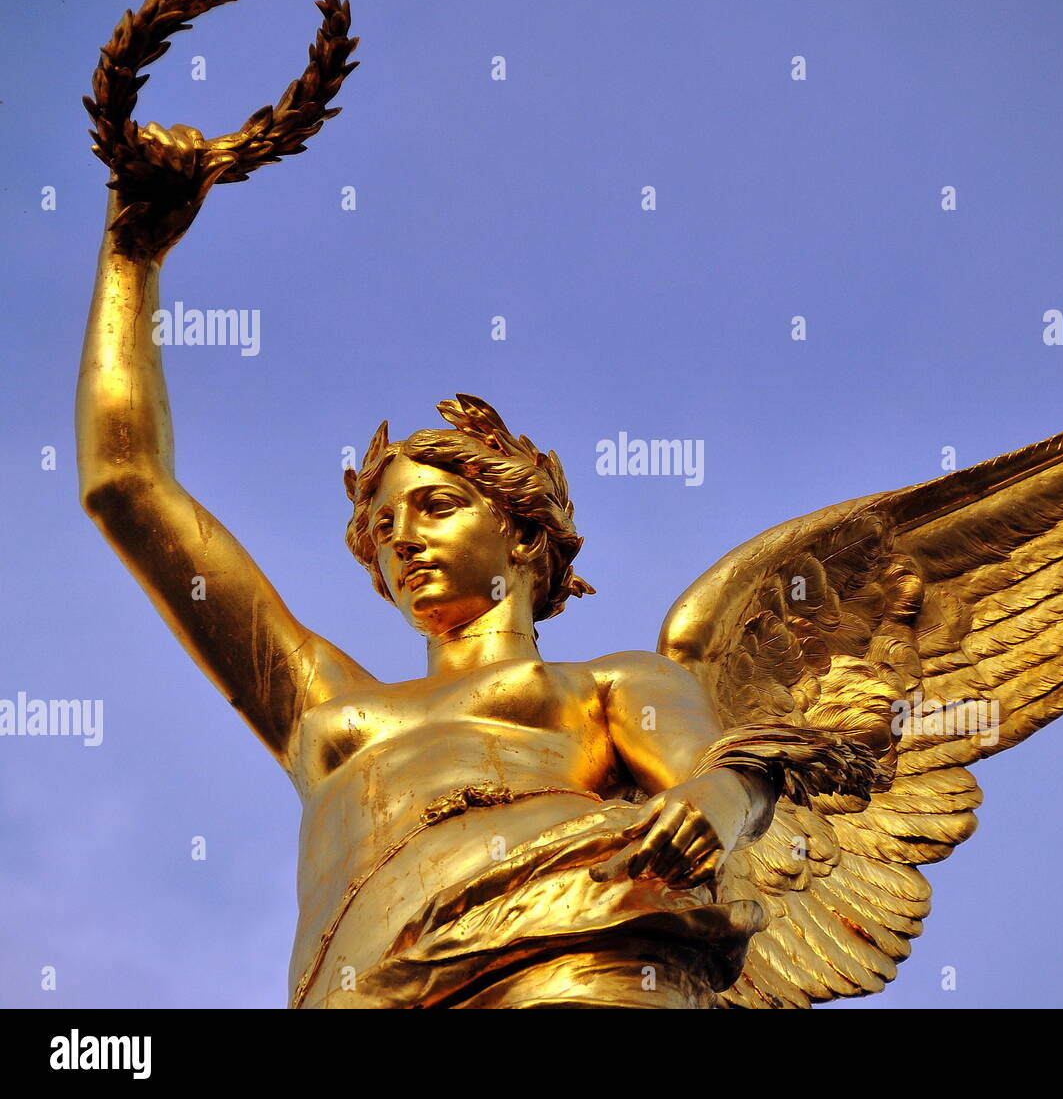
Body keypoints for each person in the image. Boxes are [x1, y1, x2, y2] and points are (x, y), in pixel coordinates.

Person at [76, 184, 778, 1009]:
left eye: (436, 507)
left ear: (521, 534)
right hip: (367, 982)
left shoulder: (604, 685)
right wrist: (133, 255)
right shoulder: (318, 700)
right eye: (381, 526)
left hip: (573, 927)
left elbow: (732, 773)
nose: (400, 536)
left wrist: (717, 801)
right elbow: (125, 484)